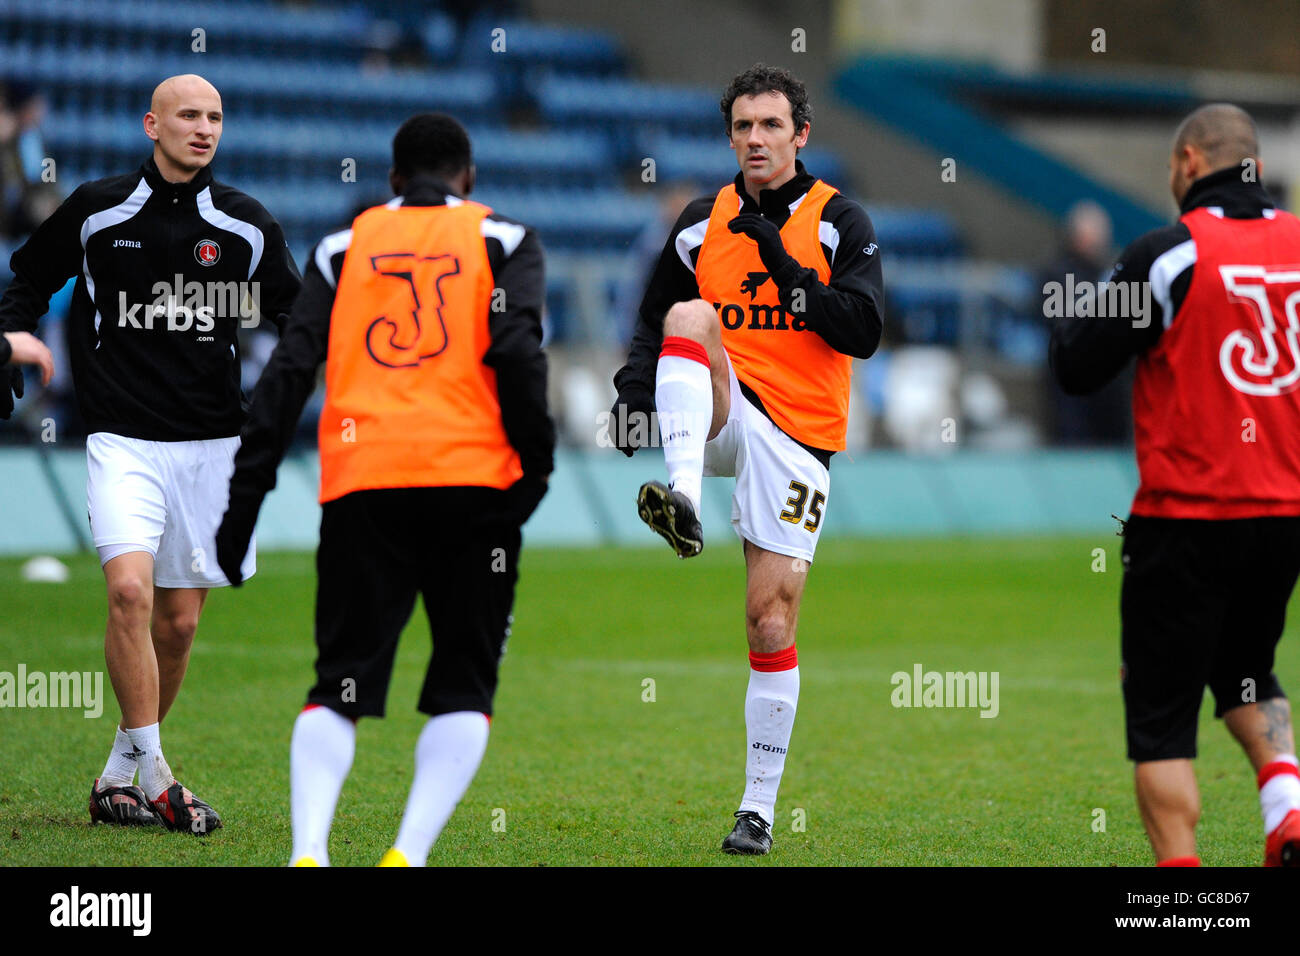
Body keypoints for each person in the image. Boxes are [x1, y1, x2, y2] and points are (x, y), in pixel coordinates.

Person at [214, 112, 553, 867]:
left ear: (395, 180)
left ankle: (308, 852)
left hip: (363, 481)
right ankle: (407, 853)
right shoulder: (505, 239)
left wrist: (245, 502)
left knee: (338, 682)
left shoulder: (343, 246)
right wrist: (538, 464)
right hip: (475, 483)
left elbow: (286, 374)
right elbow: (520, 351)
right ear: (468, 177)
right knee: (465, 684)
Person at [0, 74, 302, 833]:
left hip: (213, 449)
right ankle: (162, 775)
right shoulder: (99, 210)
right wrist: (8, 338)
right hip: (121, 439)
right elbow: (26, 281)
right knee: (130, 596)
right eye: (190, 115)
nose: (204, 128)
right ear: (152, 124)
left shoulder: (246, 226)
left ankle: (117, 775)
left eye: (216, 118)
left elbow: (300, 324)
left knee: (178, 627)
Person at [609, 64, 884, 855]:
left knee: (770, 622)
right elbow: (652, 317)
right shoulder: (700, 221)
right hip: (724, 406)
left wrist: (785, 269)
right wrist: (633, 392)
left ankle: (756, 808)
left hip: (799, 434)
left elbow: (862, 331)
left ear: (801, 134)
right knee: (691, 313)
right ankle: (683, 496)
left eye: (770, 126)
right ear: (729, 135)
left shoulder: (840, 220)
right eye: (742, 127)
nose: (755, 139)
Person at [1051, 103, 1300, 867]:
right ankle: (1287, 812)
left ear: (1191, 162)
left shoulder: (1169, 253)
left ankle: (1184, 896)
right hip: (1285, 513)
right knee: (1248, 671)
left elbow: (1078, 364)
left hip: (1188, 514)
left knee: (1161, 718)